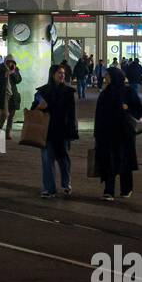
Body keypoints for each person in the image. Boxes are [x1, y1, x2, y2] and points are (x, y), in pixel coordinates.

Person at [94, 66, 142, 201]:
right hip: (108, 134)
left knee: (125, 160)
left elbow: (139, 109)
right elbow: (99, 115)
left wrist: (128, 108)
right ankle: (109, 191)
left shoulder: (128, 92)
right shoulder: (105, 94)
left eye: (108, 75)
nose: (105, 78)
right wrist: (97, 134)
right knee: (109, 161)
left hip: (124, 133)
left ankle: (126, 189)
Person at [30, 65, 79, 199]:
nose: (62, 75)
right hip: (47, 131)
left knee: (64, 159)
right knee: (47, 160)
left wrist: (73, 130)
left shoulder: (69, 92)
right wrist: (39, 107)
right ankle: (49, 189)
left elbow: (72, 114)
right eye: (59, 73)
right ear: (52, 74)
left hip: (63, 131)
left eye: (63, 73)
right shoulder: (42, 92)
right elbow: (33, 109)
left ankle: (66, 183)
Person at [0, 57, 22, 135]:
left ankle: (8, 132)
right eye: (9, 62)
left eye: (12, 62)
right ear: (6, 62)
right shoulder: (0, 69)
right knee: (5, 114)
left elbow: (18, 80)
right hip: (4, 95)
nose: (10, 64)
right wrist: (5, 75)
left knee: (11, 115)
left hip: (13, 95)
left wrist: (12, 73)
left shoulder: (15, 70)